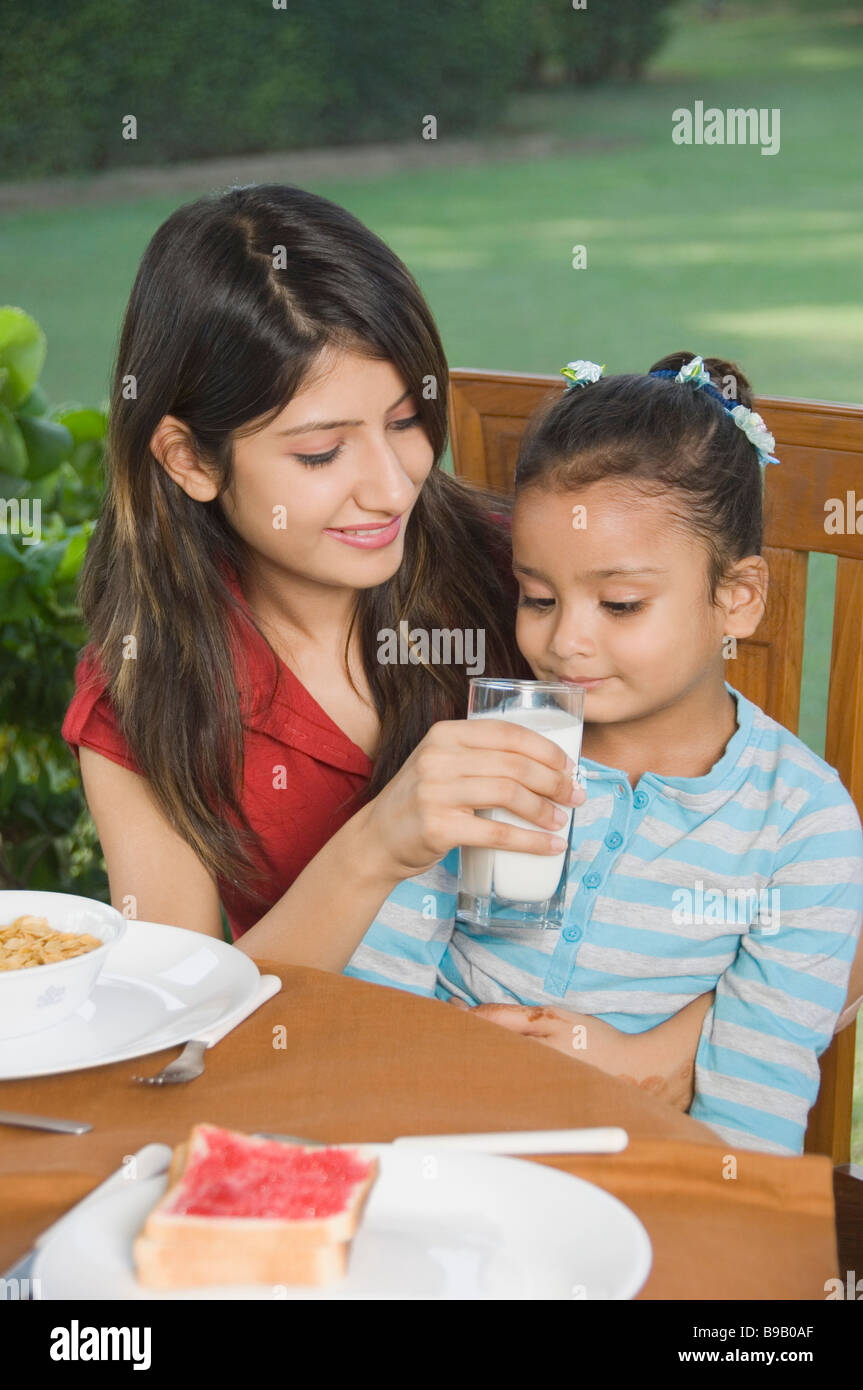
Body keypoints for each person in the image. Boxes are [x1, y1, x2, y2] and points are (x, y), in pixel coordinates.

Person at [343, 352, 863, 1157]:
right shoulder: (491, 752)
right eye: (538, 597)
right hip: (436, 1131)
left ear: (737, 598)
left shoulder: (801, 823)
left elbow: (752, 1116)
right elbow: (377, 995)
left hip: (641, 1169)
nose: (564, 640)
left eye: (620, 604)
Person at [62, 180, 589, 973]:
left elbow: (782, 847)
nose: (392, 485)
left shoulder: (529, 577)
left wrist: (665, 1049)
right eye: (320, 451)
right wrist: (376, 845)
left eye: (407, 421)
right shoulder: (144, 691)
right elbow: (177, 1012)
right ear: (189, 459)